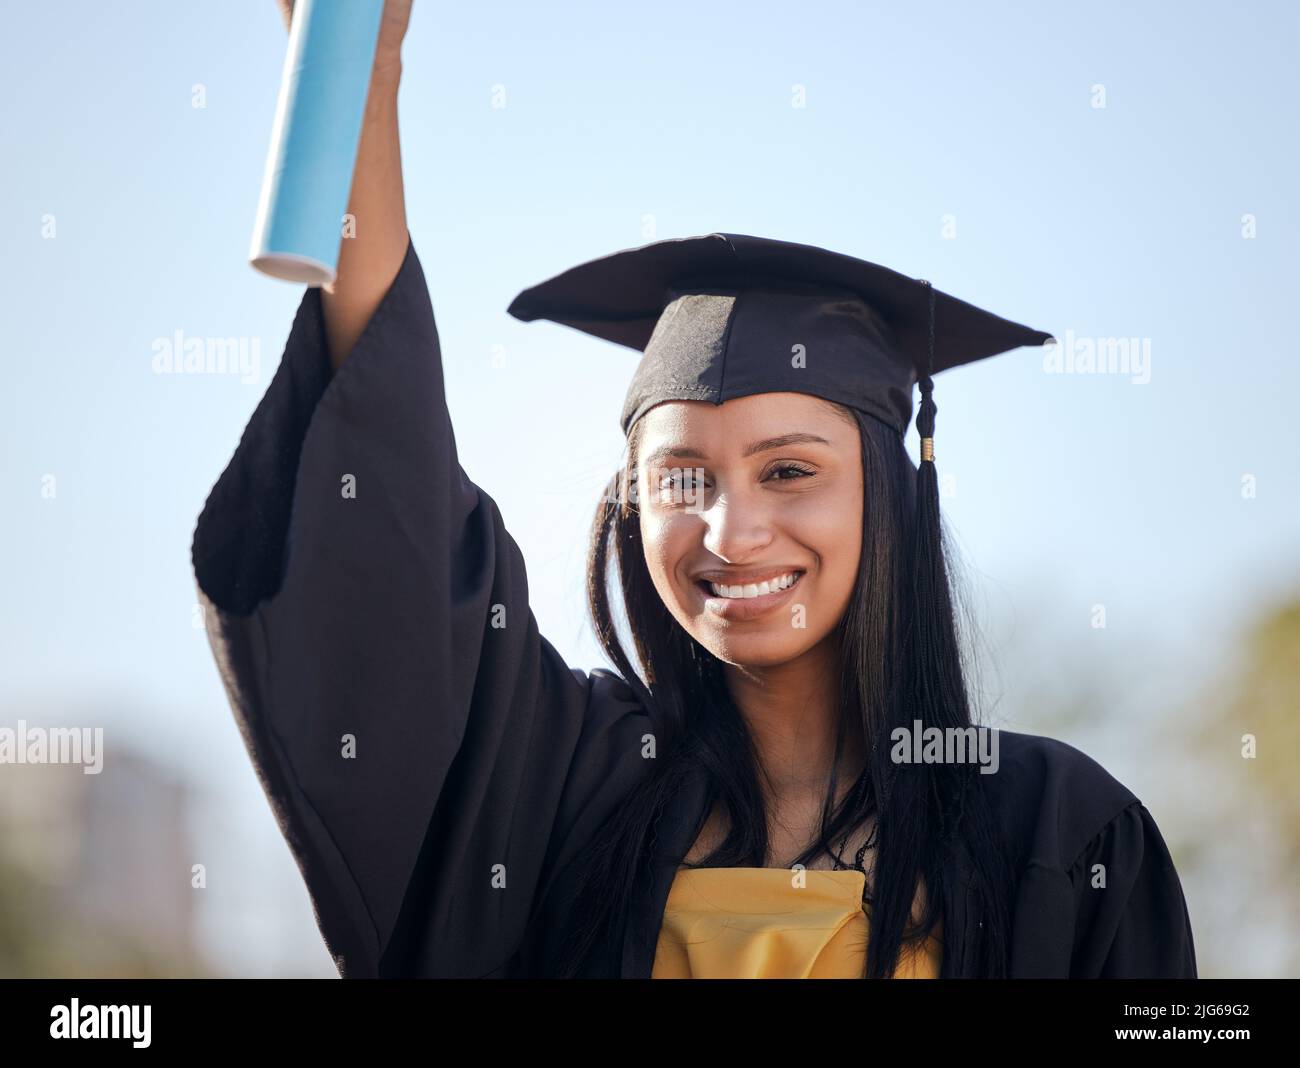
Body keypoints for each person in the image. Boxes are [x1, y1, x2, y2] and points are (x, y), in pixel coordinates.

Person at [191, 0, 1198, 979]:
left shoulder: (1051, 832)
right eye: (680, 479)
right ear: (629, 505)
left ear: (886, 497)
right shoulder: (562, 791)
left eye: (790, 471)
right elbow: (386, 513)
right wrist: (364, 76)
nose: (732, 529)